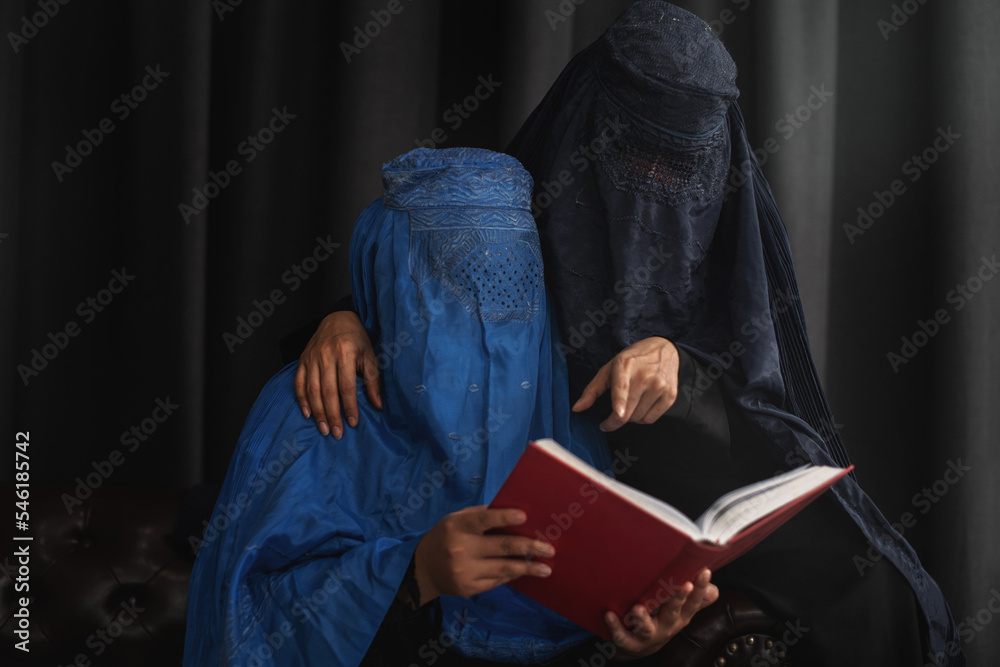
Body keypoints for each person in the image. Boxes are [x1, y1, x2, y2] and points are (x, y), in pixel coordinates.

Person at [294, 3, 965, 666]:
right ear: (587, 123)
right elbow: (434, 285)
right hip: (524, 487)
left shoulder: (729, 228)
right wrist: (344, 314)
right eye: (632, 154)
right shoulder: (518, 201)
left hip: (691, 487)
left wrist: (681, 363)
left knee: (874, 577)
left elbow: (760, 399)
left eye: (678, 169)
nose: (653, 186)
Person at [184, 147, 717, 666]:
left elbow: (584, 613)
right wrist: (415, 575)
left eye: (515, 287)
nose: (489, 330)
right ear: (390, 285)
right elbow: (244, 618)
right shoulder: (318, 406)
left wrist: (640, 636)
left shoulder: (564, 417)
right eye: (452, 292)